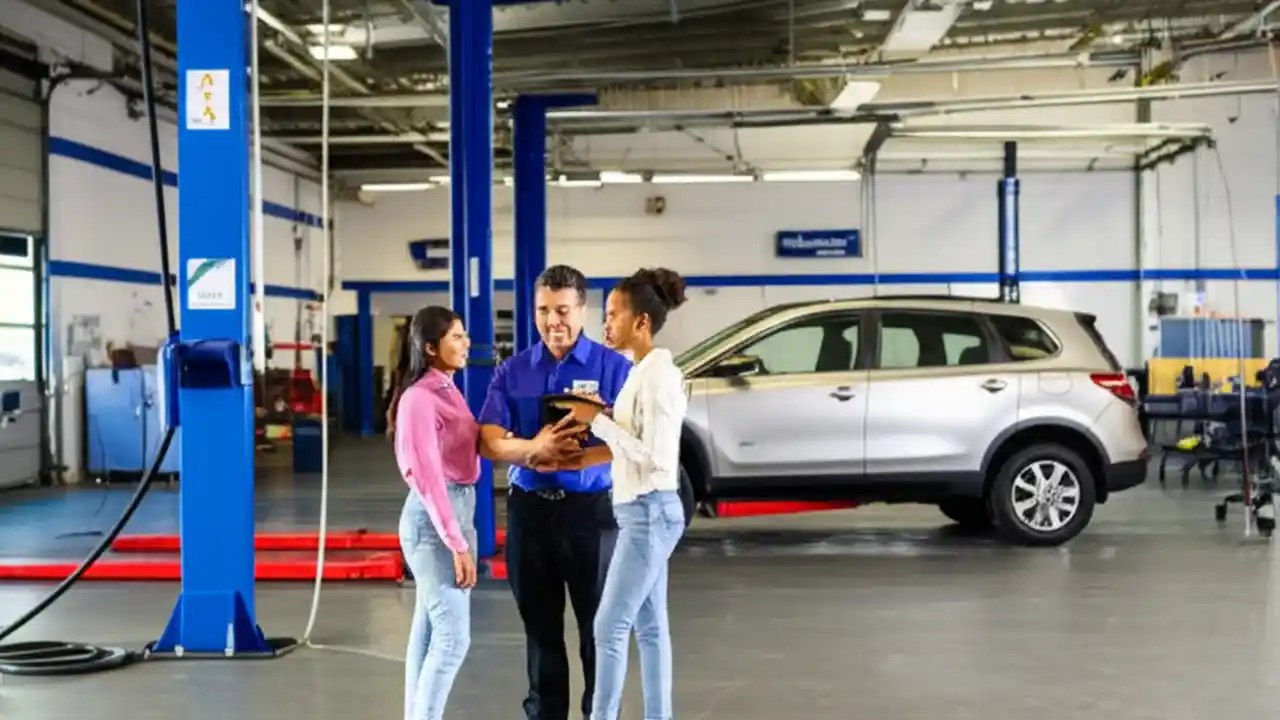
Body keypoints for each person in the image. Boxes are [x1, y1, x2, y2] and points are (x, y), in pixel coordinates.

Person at [392, 305, 579, 720]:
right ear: (430, 347)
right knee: (453, 639)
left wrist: (519, 444)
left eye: (463, 335)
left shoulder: (446, 388)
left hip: (454, 511)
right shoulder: (420, 399)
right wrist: (456, 543)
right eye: (455, 336)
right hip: (436, 520)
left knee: (427, 632)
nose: (465, 343)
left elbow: (468, 444)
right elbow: (426, 477)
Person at [477, 265, 632, 720]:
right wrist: (533, 449)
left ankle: (600, 713)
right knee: (540, 630)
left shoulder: (613, 369)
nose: (553, 322)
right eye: (543, 311)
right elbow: (489, 439)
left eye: (563, 310)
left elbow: (633, 442)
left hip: (592, 516)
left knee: (597, 630)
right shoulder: (513, 371)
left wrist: (584, 453)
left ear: (582, 310)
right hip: (531, 515)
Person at [554, 268, 689, 720]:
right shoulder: (639, 373)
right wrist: (603, 418)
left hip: (649, 513)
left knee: (609, 626)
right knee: (650, 628)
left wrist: (598, 422)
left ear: (642, 322)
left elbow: (656, 458)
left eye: (614, 315)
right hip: (641, 513)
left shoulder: (659, 376)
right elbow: (635, 439)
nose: (605, 325)